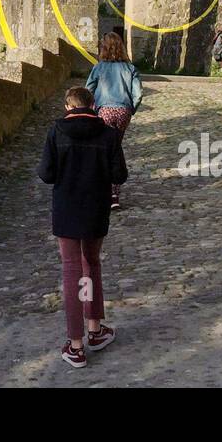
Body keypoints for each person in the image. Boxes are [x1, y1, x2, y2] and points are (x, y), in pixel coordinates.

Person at [37, 86, 127, 368]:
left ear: (68, 106)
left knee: (71, 271)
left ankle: (75, 345)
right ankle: (95, 329)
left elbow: (46, 174)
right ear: (93, 105)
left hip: (67, 209)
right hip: (96, 209)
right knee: (91, 266)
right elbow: (119, 174)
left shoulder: (57, 131)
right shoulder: (109, 134)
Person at [85, 32, 143, 210]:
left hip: (105, 111)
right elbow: (138, 94)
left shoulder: (99, 67)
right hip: (123, 111)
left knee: (102, 151)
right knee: (115, 149)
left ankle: (101, 191)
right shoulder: (130, 68)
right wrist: (130, 109)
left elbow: (88, 90)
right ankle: (114, 194)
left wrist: (92, 110)